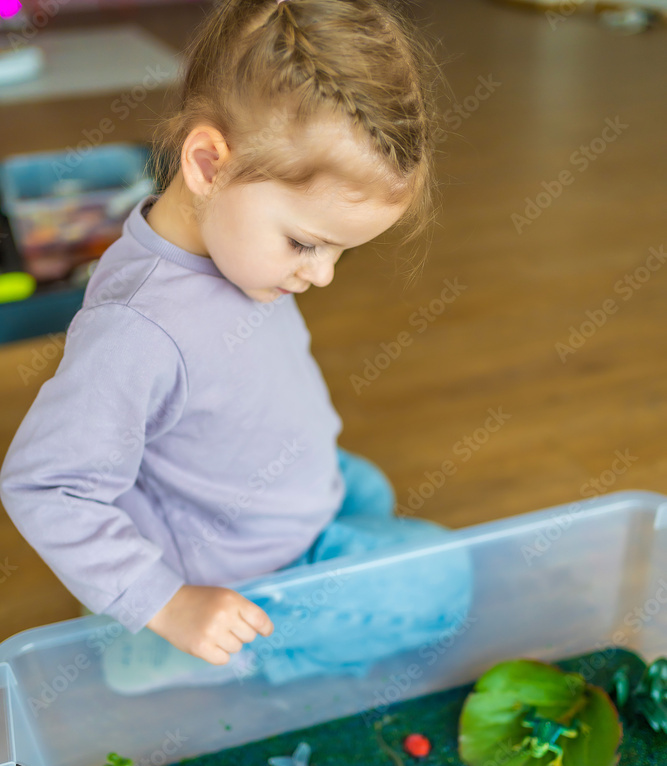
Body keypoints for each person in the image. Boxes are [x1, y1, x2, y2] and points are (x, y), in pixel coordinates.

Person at [0, 0, 472, 685]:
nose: (321, 274)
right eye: (305, 243)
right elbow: (44, 483)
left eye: (339, 251)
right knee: (444, 580)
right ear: (207, 163)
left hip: (265, 492)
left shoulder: (231, 248)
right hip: (232, 568)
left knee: (366, 487)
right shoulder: (139, 331)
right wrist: (166, 602)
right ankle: (191, 653)